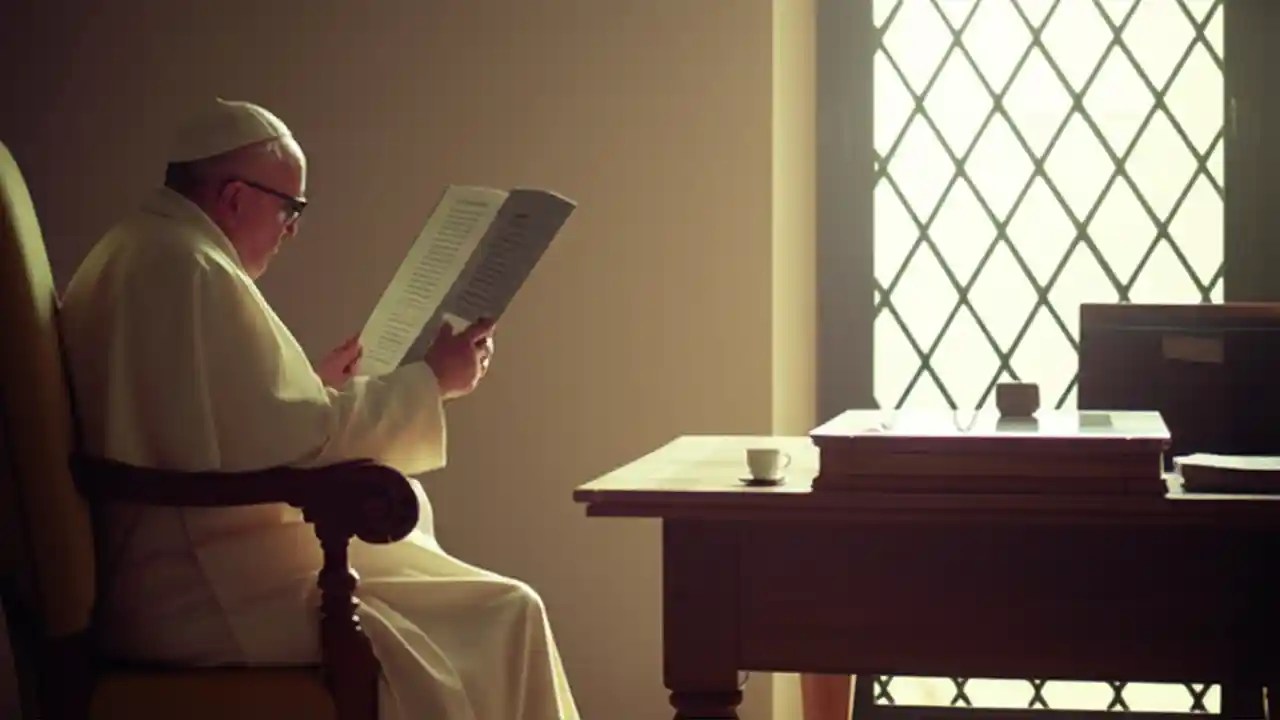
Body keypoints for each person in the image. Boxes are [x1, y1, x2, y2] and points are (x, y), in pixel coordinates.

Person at [58, 98, 579, 720]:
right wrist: (431, 381)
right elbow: (296, 445)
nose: (292, 229)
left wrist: (312, 385)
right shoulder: (190, 267)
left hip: (178, 562)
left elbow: (226, 422)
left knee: (493, 606)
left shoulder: (142, 248)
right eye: (290, 207)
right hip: (204, 588)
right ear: (234, 196)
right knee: (507, 610)